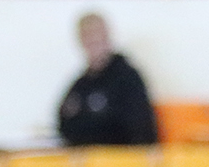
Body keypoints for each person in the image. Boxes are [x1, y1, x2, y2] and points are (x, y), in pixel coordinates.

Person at [56, 12, 158, 147]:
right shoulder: (81, 84)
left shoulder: (127, 79)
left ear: (107, 37)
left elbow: (140, 131)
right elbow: (64, 121)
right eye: (88, 38)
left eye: (97, 37)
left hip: (119, 161)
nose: (93, 44)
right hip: (84, 161)